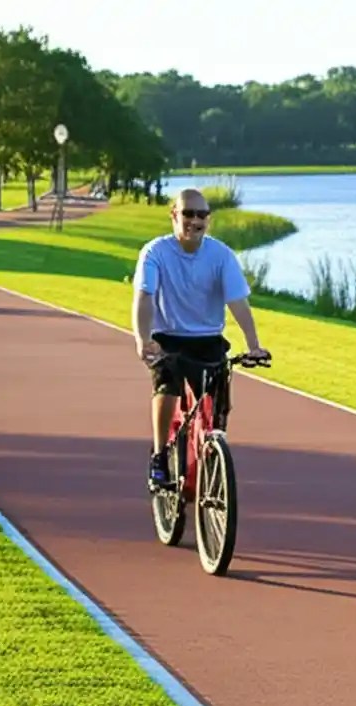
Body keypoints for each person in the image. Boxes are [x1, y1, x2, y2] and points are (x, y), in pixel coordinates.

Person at [131, 188, 270, 492]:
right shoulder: (156, 252)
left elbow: (238, 303)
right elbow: (144, 298)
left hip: (209, 340)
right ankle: (158, 455)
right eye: (188, 214)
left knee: (219, 407)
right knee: (167, 386)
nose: (195, 221)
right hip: (167, 339)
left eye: (202, 215)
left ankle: (212, 454)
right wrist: (143, 339)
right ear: (174, 216)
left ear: (209, 219)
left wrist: (253, 344)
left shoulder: (220, 255)